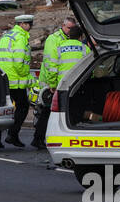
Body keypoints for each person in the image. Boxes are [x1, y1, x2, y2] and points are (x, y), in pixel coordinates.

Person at [31, 16, 89, 151]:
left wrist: (53, 84)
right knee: (55, 112)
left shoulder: (61, 46)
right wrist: (50, 84)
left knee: (53, 112)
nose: (69, 31)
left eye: (71, 29)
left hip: (58, 84)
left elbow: (53, 65)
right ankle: (40, 138)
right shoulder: (57, 40)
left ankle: (43, 138)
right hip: (63, 85)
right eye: (68, 27)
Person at [0, 14, 34, 147]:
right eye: (29, 24)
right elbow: (19, 63)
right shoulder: (20, 38)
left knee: (2, 109)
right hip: (15, 80)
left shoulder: (6, 36)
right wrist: (26, 75)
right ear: (22, 24)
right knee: (23, 107)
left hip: (3, 77)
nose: (31, 27)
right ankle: (13, 135)